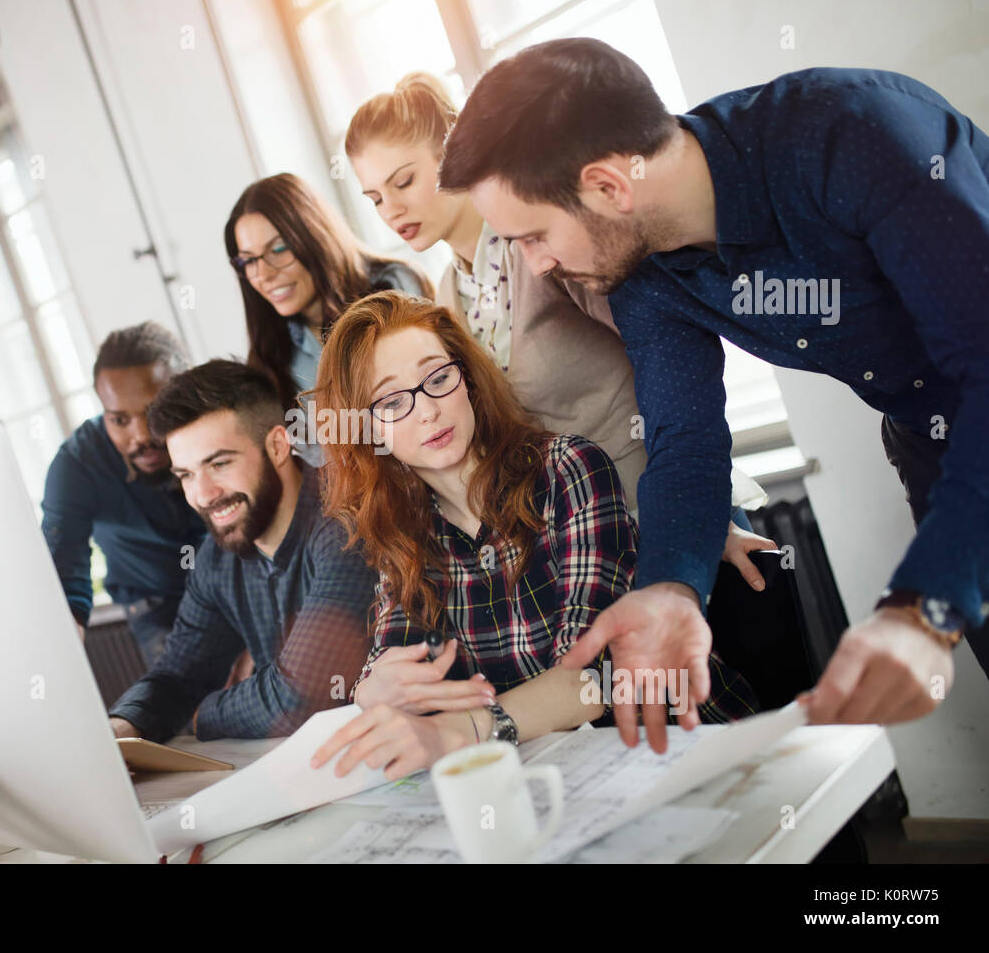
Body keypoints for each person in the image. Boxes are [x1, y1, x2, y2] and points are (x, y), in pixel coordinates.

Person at [440, 37, 989, 750]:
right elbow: (687, 441)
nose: (536, 266)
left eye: (534, 236)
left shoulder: (854, 135)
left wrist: (922, 608)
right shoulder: (641, 274)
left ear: (610, 186)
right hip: (937, 446)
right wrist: (671, 585)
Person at [344, 72, 775, 586]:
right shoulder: (444, 297)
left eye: (403, 181)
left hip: (675, 514)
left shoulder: (549, 246)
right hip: (583, 546)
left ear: (452, 153)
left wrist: (701, 518)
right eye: (373, 198)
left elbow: (673, 357)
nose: (390, 210)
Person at [306, 291, 758, 780]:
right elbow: (396, 662)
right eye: (392, 401)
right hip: (566, 779)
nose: (427, 411)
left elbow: (588, 684)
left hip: (693, 750)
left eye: (438, 378)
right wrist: (373, 690)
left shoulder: (569, 469)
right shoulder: (403, 534)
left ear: (469, 380)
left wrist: (457, 732)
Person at [107, 359, 377, 741]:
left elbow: (303, 694)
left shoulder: (344, 519)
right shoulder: (217, 561)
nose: (203, 494)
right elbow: (177, 676)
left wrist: (201, 714)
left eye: (219, 463)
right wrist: (122, 728)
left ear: (278, 445)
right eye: (186, 475)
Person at [225, 173, 431, 463]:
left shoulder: (394, 288)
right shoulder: (273, 355)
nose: (263, 274)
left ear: (315, 236)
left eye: (279, 249)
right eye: (248, 260)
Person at [40, 322, 206, 666]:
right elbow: (64, 562)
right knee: (195, 713)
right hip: (157, 609)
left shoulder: (215, 428)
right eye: (119, 419)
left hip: (242, 581)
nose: (142, 435)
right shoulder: (77, 465)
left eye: (154, 410)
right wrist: (63, 652)